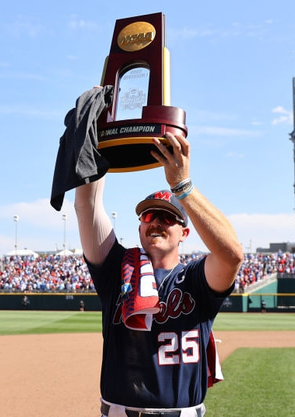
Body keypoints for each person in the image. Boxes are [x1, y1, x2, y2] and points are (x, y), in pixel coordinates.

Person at [75, 131, 243, 416]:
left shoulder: (195, 279)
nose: (156, 223)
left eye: (168, 217)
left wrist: (182, 185)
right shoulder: (117, 269)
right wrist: (97, 142)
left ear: (184, 233)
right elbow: (87, 207)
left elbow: (232, 255)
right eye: (149, 216)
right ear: (140, 227)